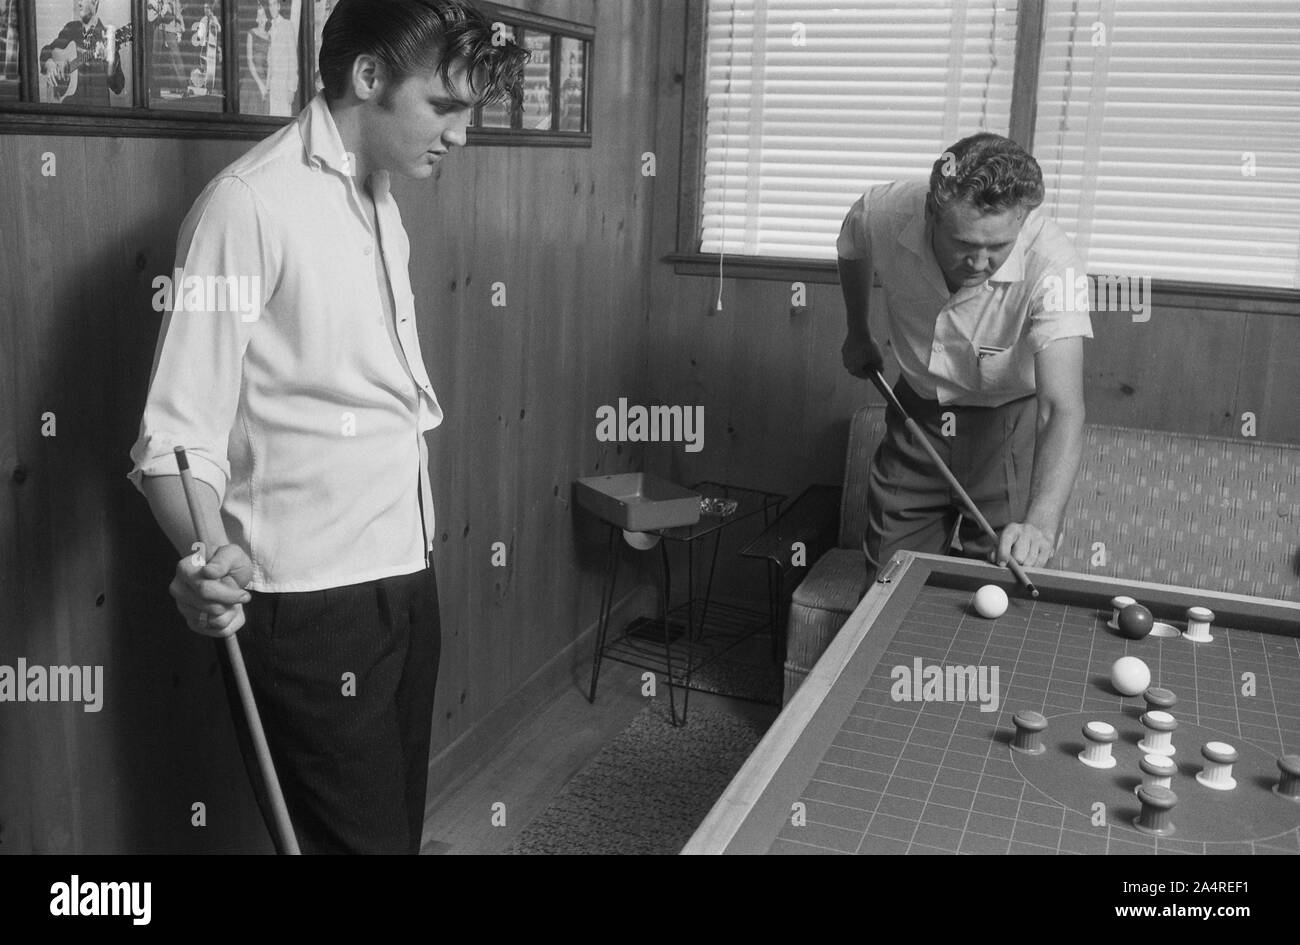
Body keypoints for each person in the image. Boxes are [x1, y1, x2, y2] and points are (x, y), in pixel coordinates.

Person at [128, 0, 525, 855]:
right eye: (445, 107)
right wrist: (204, 554)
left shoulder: (381, 196)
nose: (461, 136)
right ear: (369, 77)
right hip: (308, 610)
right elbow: (174, 441)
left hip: (405, 580)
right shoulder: (247, 207)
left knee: (393, 837)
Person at [837, 132, 1091, 583]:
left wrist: (1041, 524)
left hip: (1006, 430)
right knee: (888, 583)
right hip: (915, 420)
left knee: (1004, 584)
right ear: (931, 213)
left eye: (997, 247)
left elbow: (1061, 407)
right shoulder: (887, 210)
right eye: (964, 244)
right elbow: (852, 245)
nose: (979, 262)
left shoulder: (1056, 266)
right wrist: (858, 330)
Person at [40, 0, 127, 106]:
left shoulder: (107, 38)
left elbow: (118, 87)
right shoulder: (71, 29)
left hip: (98, 113)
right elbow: (47, 50)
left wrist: (111, 60)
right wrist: (49, 64)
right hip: (68, 109)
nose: (79, 3)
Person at [241, 0, 272, 115]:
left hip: (264, 78)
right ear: (256, 19)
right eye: (259, 15)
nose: (262, 17)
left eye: (263, 15)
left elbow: (270, 62)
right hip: (251, 80)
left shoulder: (270, 36)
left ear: (266, 18)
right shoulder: (251, 33)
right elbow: (250, 61)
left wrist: (267, 85)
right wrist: (260, 85)